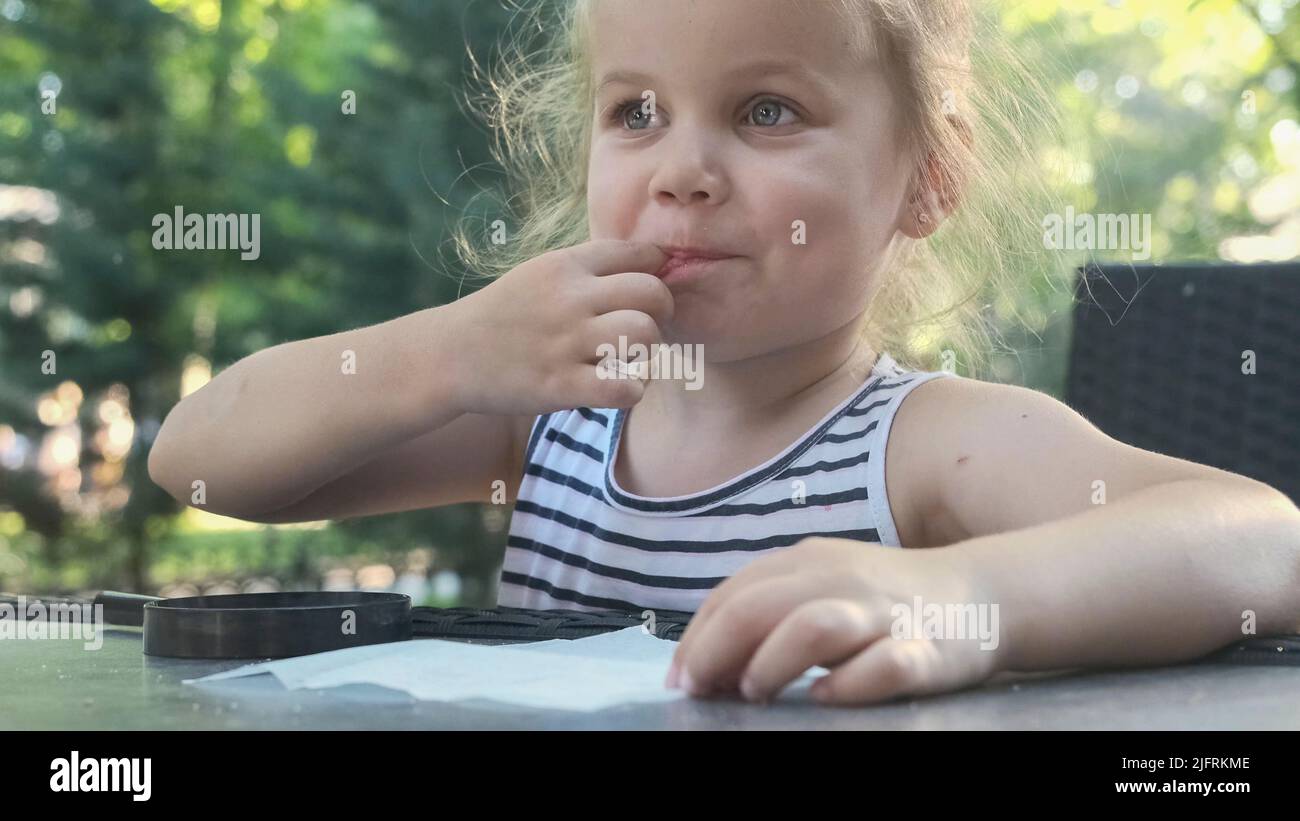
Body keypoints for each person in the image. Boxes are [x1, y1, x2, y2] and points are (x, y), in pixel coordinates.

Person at [149, 0, 1300, 707]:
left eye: (765, 111)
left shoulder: (920, 446)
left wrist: (958, 599)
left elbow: (1263, 540)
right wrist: (445, 351)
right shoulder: (546, 414)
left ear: (927, 177)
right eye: (635, 111)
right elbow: (199, 462)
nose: (681, 169)